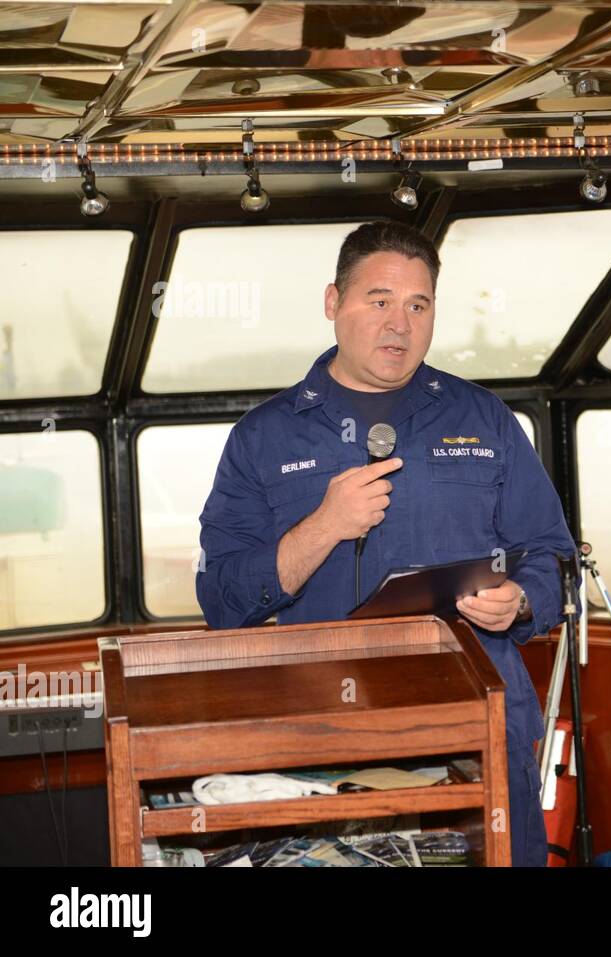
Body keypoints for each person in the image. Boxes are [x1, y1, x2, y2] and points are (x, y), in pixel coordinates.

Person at [196, 220, 574, 867]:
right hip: (328, 734)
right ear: (332, 303)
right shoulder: (264, 438)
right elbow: (223, 599)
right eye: (379, 300)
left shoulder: (484, 417)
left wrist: (520, 600)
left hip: (477, 719)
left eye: (418, 304)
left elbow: (553, 555)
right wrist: (325, 525)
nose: (399, 323)